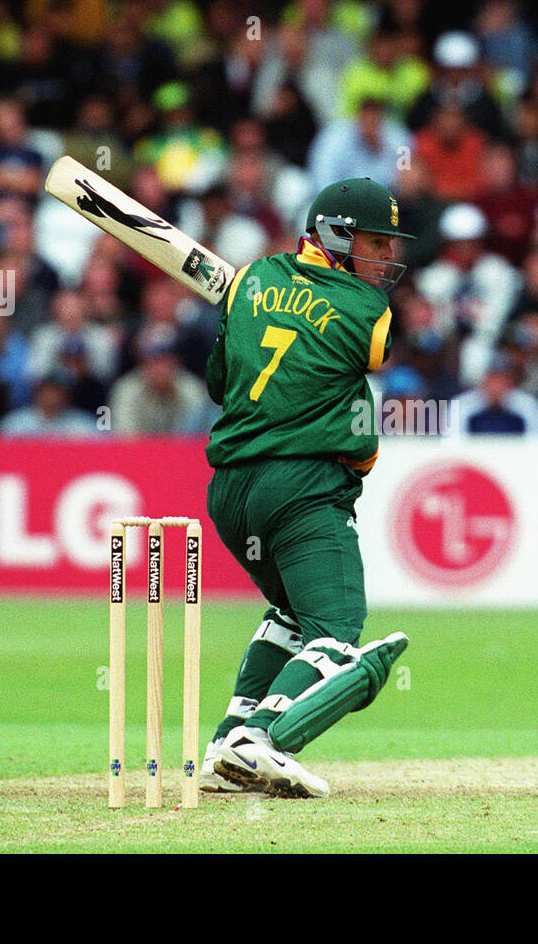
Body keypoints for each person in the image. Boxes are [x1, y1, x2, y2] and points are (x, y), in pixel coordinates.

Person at [199, 177, 413, 798]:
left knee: (292, 614)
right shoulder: (367, 314)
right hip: (302, 488)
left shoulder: (252, 279)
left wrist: (242, 309)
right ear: (334, 235)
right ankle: (259, 736)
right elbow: (363, 419)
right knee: (336, 624)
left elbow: (218, 381)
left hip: (230, 492)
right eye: (377, 243)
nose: (388, 258)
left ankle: (226, 742)